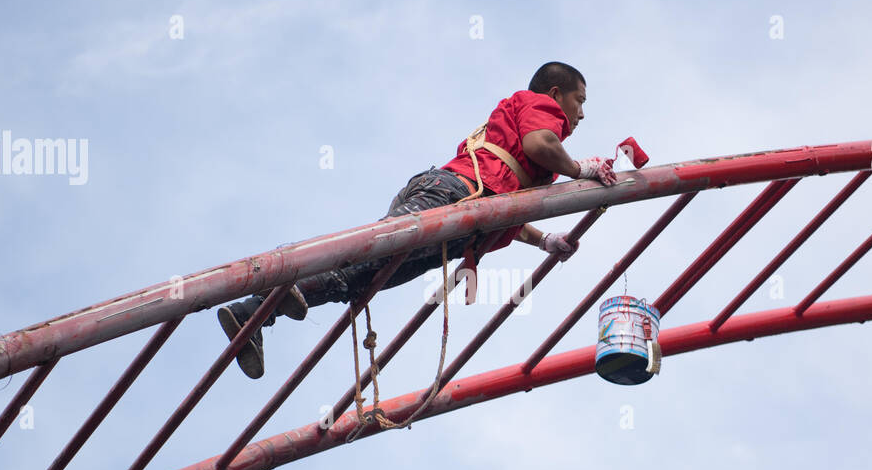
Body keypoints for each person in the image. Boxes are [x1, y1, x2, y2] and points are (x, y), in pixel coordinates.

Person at [217, 61, 619, 378]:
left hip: (460, 209)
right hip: (453, 194)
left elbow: (507, 202)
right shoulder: (538, 109)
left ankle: (253, 313)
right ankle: (288, 263)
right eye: (579, 100)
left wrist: (544, 241)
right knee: (365, 254)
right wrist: (581, 169)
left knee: (357, 280)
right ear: (555, 94)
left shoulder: (521, 147)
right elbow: (540, 143)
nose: (581, 114)